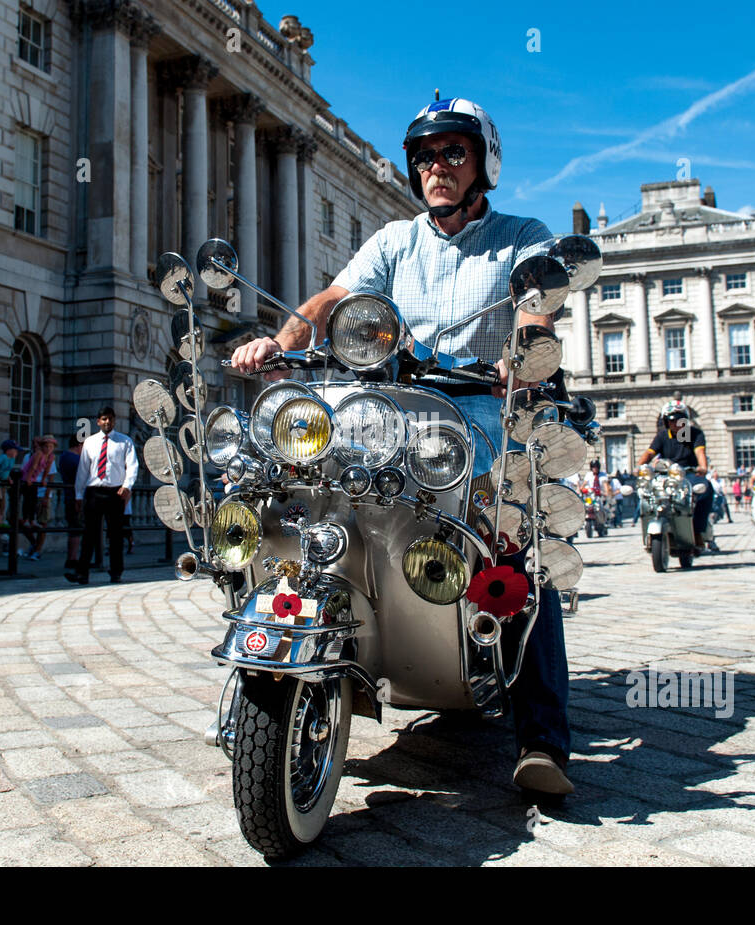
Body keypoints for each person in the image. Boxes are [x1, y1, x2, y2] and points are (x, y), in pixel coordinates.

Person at [229, 96, 574, 797]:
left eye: (453, 153)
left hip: (479, 415)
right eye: (424, 156)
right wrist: (281, 342)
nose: (437, 167)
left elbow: (537, 309)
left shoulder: (521, 236)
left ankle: (543, 738)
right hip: (392, 414)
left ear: (483, 163)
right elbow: (332, 299)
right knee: (297, 489)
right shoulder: (396, 240)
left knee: (519, 551)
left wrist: (524, 351)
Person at [68, 407, 138, 585]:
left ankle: (116, 572)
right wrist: (78, 494)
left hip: (115, 492)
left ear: (115, 421)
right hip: (94, 491)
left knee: (115, 534)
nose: (108, 422)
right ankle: (82, 573)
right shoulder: (90, 443)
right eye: (104, 419)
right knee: (89, 533)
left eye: (111, 419)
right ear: (98, 421)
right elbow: (83, 470)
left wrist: (127, 485)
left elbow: (132, 465)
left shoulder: (124, 442)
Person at [635, 400, 714, 549]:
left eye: (679, 419)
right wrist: (639, 467)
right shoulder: (662, 436)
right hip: (666, 475)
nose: (676, 423)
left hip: (689, 474)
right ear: (666, 422)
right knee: (645, 493)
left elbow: (699, 452)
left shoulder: (695, 434)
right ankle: (652, 529)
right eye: (672, 420)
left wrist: (703, 467)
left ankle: (697, 530)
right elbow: (649, 453)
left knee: (706, 490)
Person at [19, 434, 58, 560]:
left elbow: (50, 475)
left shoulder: (50, 457)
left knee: (42, 521)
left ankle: (37, 549)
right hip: (29, 489)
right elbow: (27, 470)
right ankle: (34, 544)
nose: (36, 445)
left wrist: (47, 495)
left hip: (41, 492)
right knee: (22, 520)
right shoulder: (29, 456)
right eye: (35, 443)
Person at [57, 434, 84, 569]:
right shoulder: (76, 459)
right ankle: (73, 558)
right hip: (76, 496)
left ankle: (71, 557)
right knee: (76, 528)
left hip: (69, 495)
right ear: (79, 445)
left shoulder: (63, 456)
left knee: (73, 528)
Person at [0, 439, 23, 527]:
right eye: (15, 450)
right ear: (8, 450)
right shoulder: (3, 457)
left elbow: (6, 471)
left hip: (3, 481)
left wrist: (9, 478)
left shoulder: (12, 460)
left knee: (3, 500)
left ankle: (1, 518)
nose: (17, 452)